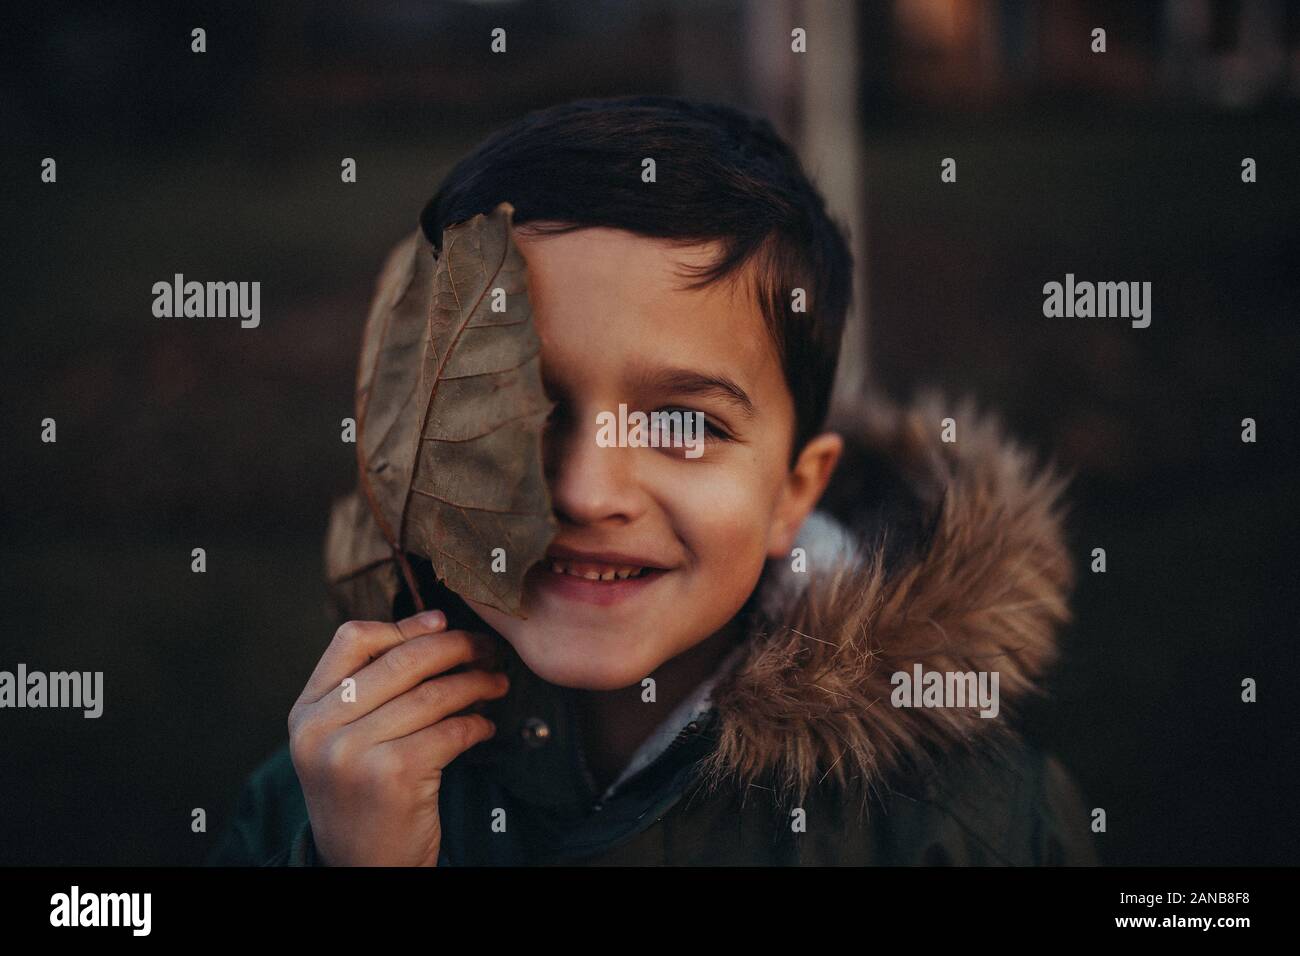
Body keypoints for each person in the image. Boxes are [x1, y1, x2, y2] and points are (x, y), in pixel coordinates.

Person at [208, 95, 1097, 866]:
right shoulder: (330, 796)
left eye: (681, 424)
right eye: (529, 411)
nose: (591, 492)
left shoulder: (965, 827)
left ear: (794, 493)